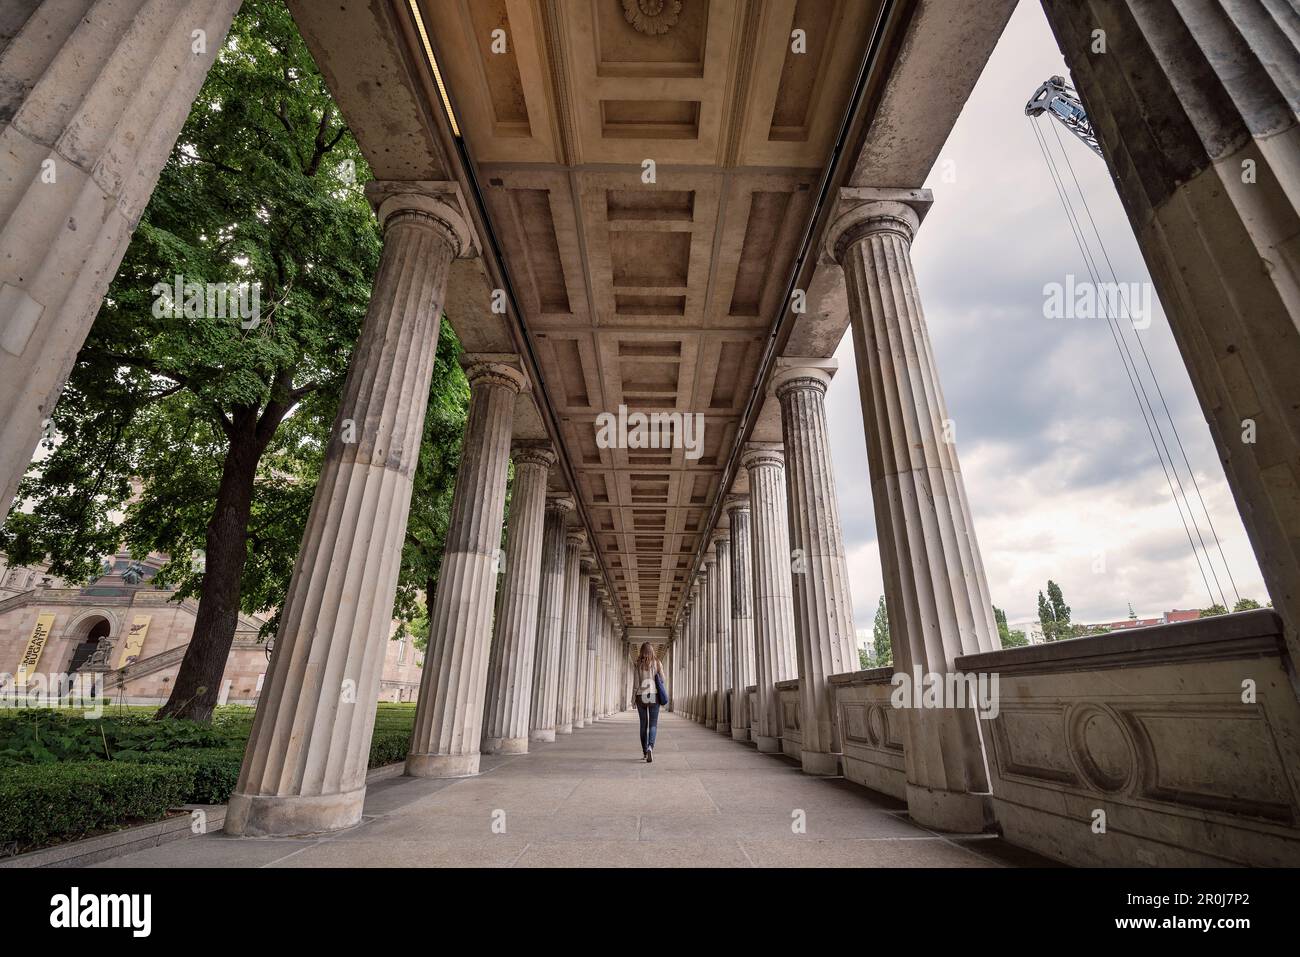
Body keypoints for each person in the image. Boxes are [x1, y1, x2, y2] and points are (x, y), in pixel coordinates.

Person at [631, 641, 663, 763]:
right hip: (653, 695)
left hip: (641, 695)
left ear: (642, 651)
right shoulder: (657, 663)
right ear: (652, 651)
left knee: (643, 725)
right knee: (653, 724)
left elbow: (635, 684)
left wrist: (633, 699)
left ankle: (645, 752)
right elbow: (663, 679)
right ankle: (650, 747)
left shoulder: (638, 664)